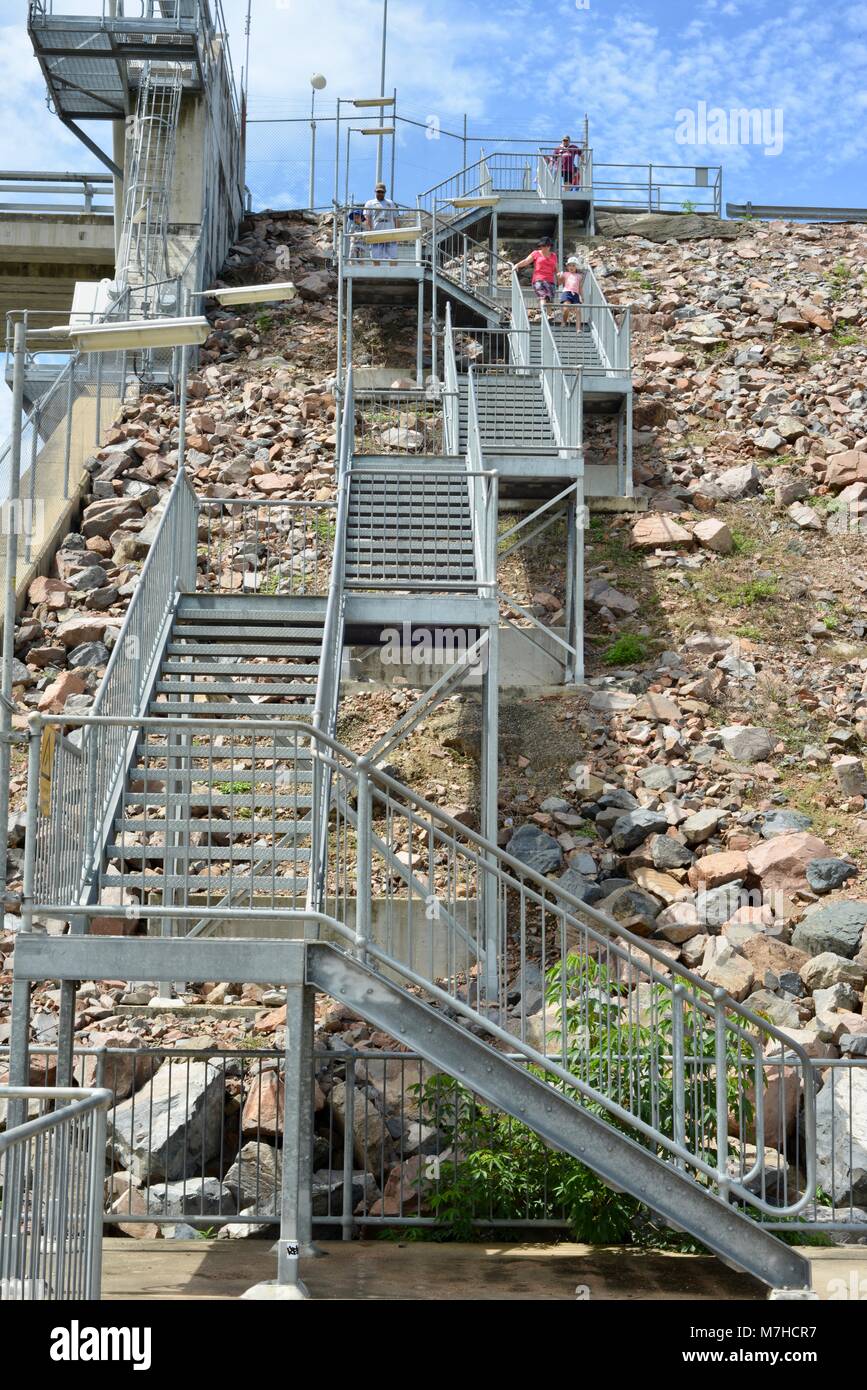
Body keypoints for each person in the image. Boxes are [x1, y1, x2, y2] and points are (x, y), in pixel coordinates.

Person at [513, 236, 558, 309]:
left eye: (547, 245)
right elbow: (526, 261)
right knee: (543, 296)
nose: (545, 247)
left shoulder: (553, 256)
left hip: (550, 281)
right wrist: (517, 265)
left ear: (550, 246)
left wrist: (559, 276)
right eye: (543, 246)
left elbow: (556, 268)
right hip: (538, 280)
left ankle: (548, 317)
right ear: (540, 246)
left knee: (549, 299)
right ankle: (544, 313)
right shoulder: (536, 253)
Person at [363, 181, 399, 265]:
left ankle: (393, 273)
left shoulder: (390, 203)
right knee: (375, 256)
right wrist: (370, 231)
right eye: (378, 191)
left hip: (390, 233)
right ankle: (376, 273)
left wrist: (397, 232)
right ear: (375, 191)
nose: (380, 193)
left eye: (382, 192)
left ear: (385, 192)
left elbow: (396, 218)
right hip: (376, 232)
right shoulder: (370, 203)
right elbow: (367, 217)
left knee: (393, 256)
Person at [558, 254, 584, 327]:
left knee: (578, 310)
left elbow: (580, 287)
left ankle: (578, 328)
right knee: (566, 308)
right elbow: (559, 283)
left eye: (573, 265)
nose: (571, 267)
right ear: (567, 267)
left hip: (575, 294)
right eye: (570, 265)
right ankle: (564, 321)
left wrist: (582, 296)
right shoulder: (565, 274)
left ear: (576, 267)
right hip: (567, 292)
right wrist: (559, 277)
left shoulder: (579, 276)